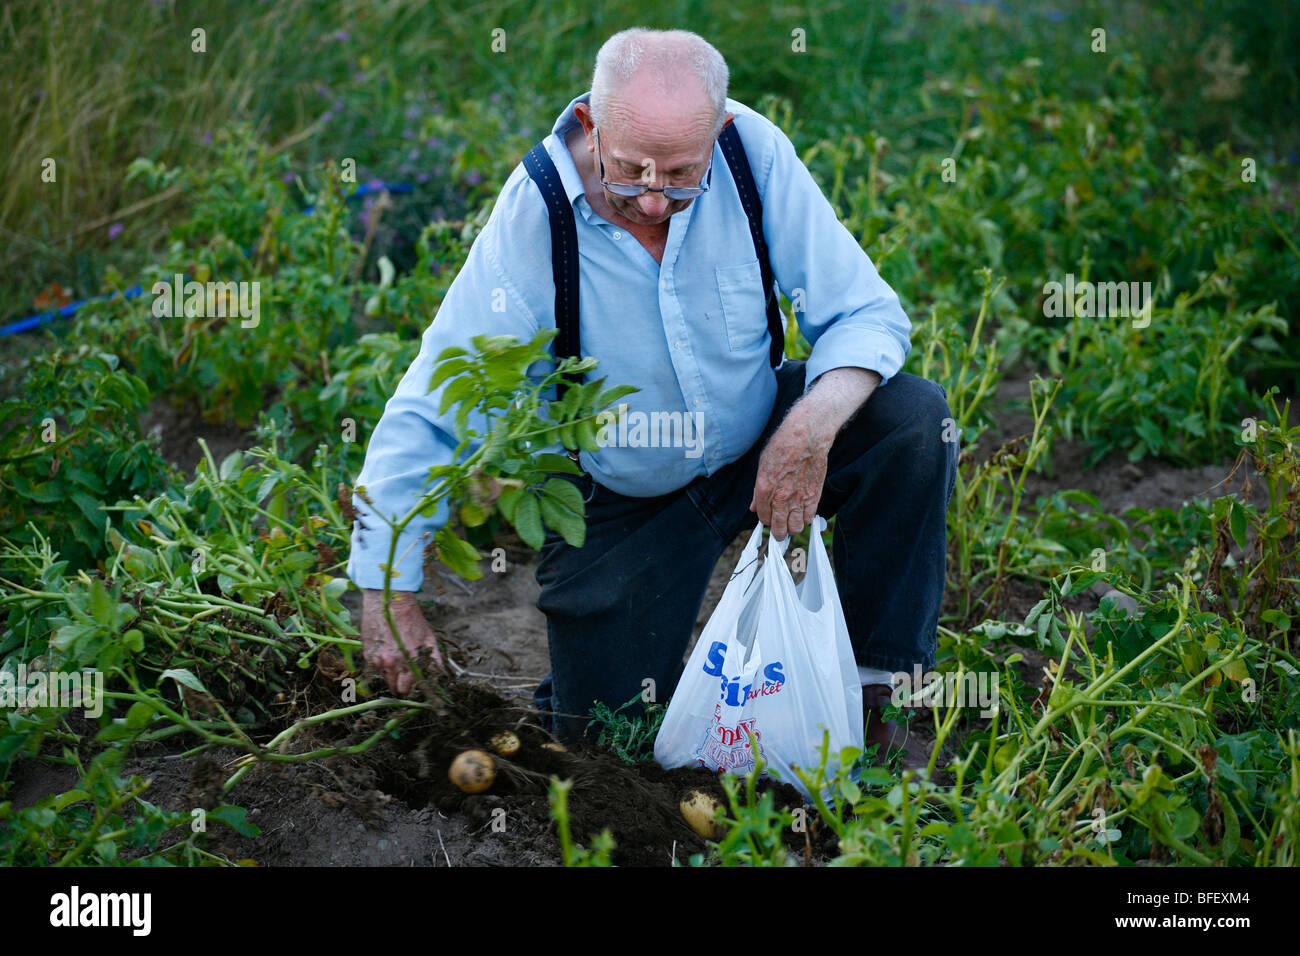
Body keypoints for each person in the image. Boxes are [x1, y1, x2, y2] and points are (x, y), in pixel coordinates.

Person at [347, 28, 958, 765]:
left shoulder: (751, 153)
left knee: (912, 422)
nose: (654, 198)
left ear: (719, 131)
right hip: (623, 495)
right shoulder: (537, 212)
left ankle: (872, 687)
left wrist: (809, 429)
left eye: (679, 175)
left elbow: (866, 314)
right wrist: (386, 589)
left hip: (757, 432)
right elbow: (432, 402)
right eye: (631, 171)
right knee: (607, 747)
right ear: (591, 127)